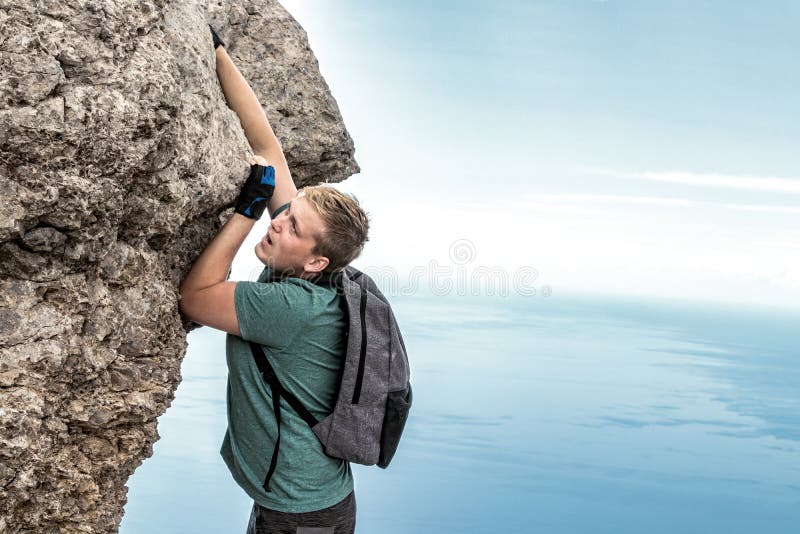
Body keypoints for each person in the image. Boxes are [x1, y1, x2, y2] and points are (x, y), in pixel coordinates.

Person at [179, 27, 369, 534]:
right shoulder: (309, 262)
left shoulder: (294, 307)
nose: (277, 221)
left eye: (292, 227)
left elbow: (195, 298)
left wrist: (245, 213)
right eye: (285, 213)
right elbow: (266, 141)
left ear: (315, 263)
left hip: (300, 511)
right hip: (306, 494)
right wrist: (216, 50)